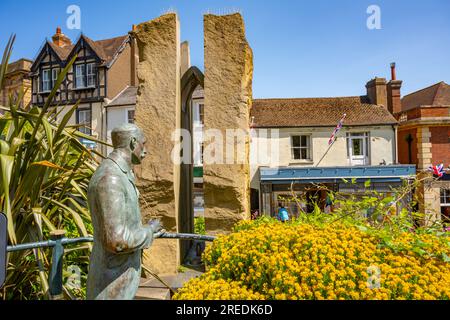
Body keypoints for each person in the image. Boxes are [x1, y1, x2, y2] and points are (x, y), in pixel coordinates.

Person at [86, 124, 161, 300]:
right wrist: (149, 231)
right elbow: (117, 241)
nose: (146, 150)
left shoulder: (120, 174)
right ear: (133, 142)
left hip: (120, 285)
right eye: (144, 144)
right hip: (110, 287)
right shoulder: (111, 178)